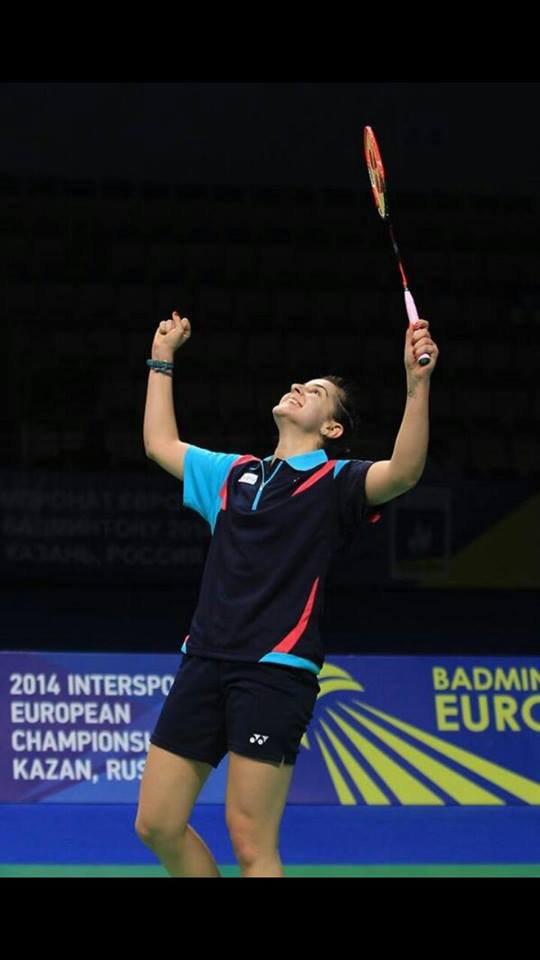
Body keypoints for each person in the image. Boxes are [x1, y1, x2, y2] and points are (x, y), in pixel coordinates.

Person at [136, 310, 438, 877]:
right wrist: (163, 358)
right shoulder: (233, 475)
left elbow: (403, 471)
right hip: (204, 660)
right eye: (301, 382)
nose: (299, 386)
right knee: (156, 823)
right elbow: (159, 443)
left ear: (332, 430)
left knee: (251, 843)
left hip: (274, 672)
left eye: (316, 392)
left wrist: (416, 384)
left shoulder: (336, 483)